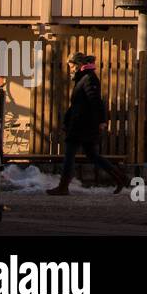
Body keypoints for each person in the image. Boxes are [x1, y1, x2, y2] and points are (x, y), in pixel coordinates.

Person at [47, 53, 127, 196]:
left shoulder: (88, 79)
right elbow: (76, 105)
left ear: (77, 65)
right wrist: (67, 121)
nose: (70, 69)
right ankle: (119, 177)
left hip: (83, 125)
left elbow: (96, 101)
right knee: (93, 155)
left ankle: (63, 186)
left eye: (71, 66)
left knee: (70, 154)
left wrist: (102, 121)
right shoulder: (82, 79)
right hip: (80, 124)